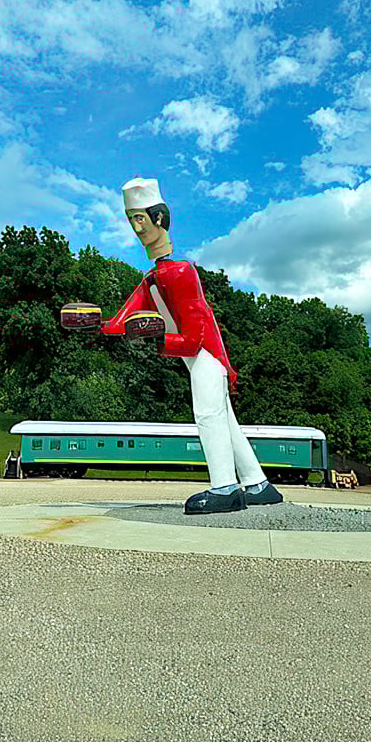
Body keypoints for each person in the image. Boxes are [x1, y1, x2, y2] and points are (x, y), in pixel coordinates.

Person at [100, 176, 283, 515]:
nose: (136, 228)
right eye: (130, 220)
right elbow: (121, 321)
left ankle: (225, 489)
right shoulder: (152, 279)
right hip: (195, 358)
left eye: (140, 218)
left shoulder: (182, 272)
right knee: (226, 421)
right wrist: (94, 325)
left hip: (206, 357)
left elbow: (194, 339)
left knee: (209, 415)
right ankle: (258, 485)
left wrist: (155, 337)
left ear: (159, 218)